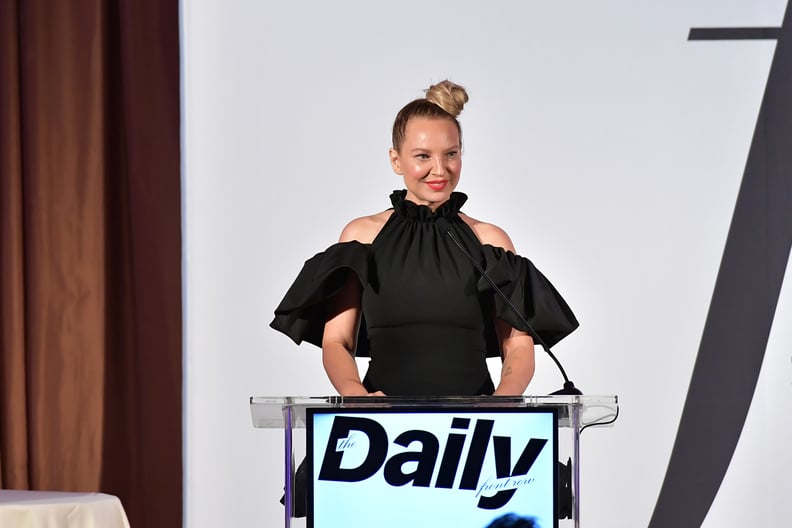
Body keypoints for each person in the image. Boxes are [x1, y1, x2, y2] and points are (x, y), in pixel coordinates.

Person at [271, 79, 578, 398]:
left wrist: (502, 401)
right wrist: (356, 396)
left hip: (477, 429)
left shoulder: (489, 241)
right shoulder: (362, 237)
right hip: (380, 429)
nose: (439, 169)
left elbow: (516, 344)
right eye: (422, 156)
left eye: (451, 154)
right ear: (396, 160)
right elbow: (338, 341)